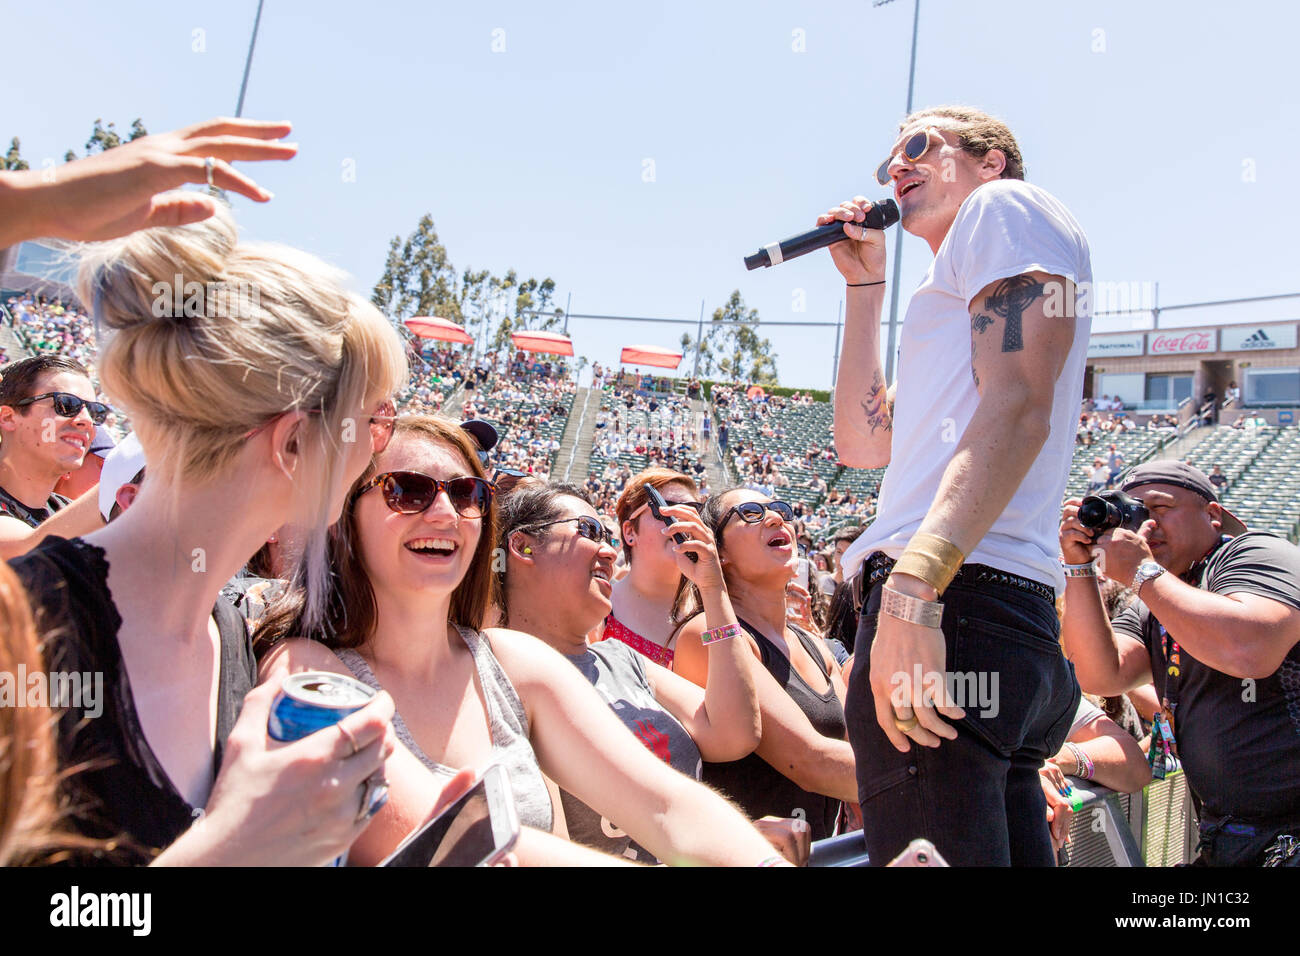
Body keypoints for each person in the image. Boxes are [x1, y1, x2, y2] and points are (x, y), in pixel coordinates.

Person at [10, 200, 410, 864]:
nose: (379, 451)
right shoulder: (18, 626)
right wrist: (235, 846)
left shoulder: (228, 635)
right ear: (295, 444)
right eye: (375, 422)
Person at [257, 416, 789, 866]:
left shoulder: (513, 661)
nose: (444, 513)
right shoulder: (305, 671)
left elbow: (667, 805)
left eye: (467, 494)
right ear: (344, 517)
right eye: (408, 490)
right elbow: (462, 843)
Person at [827, 105, 1088, 865]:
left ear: (991, 160)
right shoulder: (952, 288)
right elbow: (862, 442)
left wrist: (913, 589)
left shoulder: (1002, 209)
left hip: (953, 596)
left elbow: (1018, 406)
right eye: (885, 165)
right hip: (984, 607)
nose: (895, 169)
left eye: (916, 147)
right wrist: (864, 288)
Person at [496, 483, 809, 864]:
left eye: (609, 537)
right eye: (589, 532)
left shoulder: (623, 659)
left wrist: (711, 588)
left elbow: (734, 734)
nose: (610, 552)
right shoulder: (494, 677)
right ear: (523, 547)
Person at [1059, 460, 1300, 866]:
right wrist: (1079, 567)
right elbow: (1099, 673)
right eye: (1131, 511)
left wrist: (1140, 570)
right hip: (1229, 834)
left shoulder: (1257, 552)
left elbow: (1248, 650)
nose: (1145, 524)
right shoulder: (1154, 600)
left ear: (1212, 515)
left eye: (1159, 508)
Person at [673, 488, 856, 841]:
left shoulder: (816, 646)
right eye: (751, 513)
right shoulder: (708, 635)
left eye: (781, 509)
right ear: (718, 551)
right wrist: (928, 784)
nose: (776, 518)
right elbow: (809, 762)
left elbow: (858, 748)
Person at [0, 356, 109, 558]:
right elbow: (26, 552)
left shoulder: (67, 511)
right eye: (66, 404)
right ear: (8, 418)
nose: (86, 421)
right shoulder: (74, 522)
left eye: (95, 412)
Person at [603, 468, 704, 667]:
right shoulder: (598, 610)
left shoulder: (716, 607)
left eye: (693, 510)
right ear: (630, 531)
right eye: (665, 509)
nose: (681, 520)